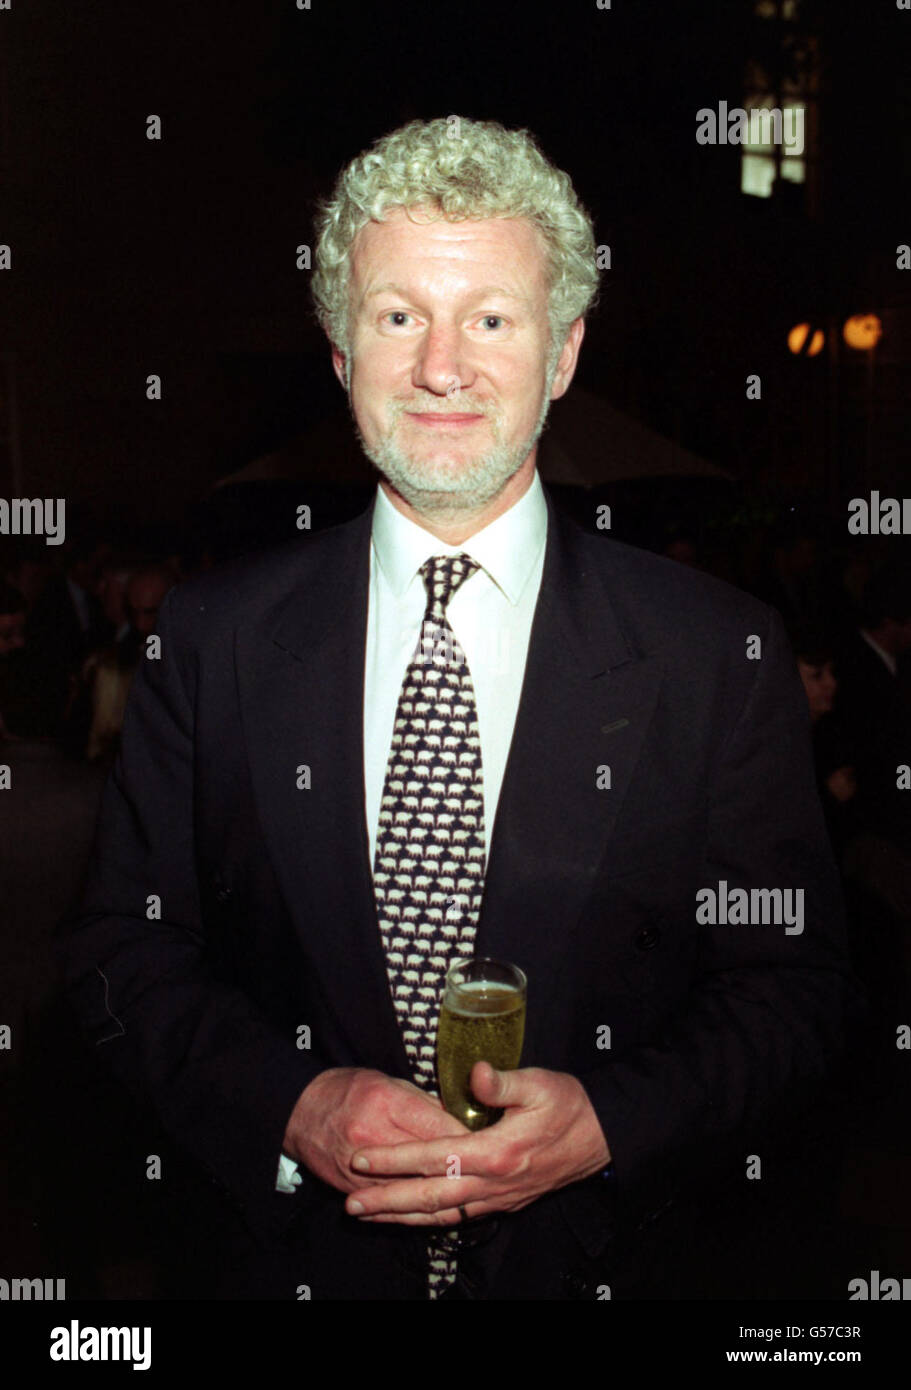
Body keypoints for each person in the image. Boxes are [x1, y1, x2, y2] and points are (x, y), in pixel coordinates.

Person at [62, 116, 860, 1301]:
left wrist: (608, 1123)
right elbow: (119, 952)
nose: (442, 365)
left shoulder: (711, 652)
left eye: (490, 316)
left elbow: (794, 985)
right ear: (340, 351)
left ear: (564, 352)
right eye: (397, 316)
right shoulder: (214, 640)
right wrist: (288, 1101)